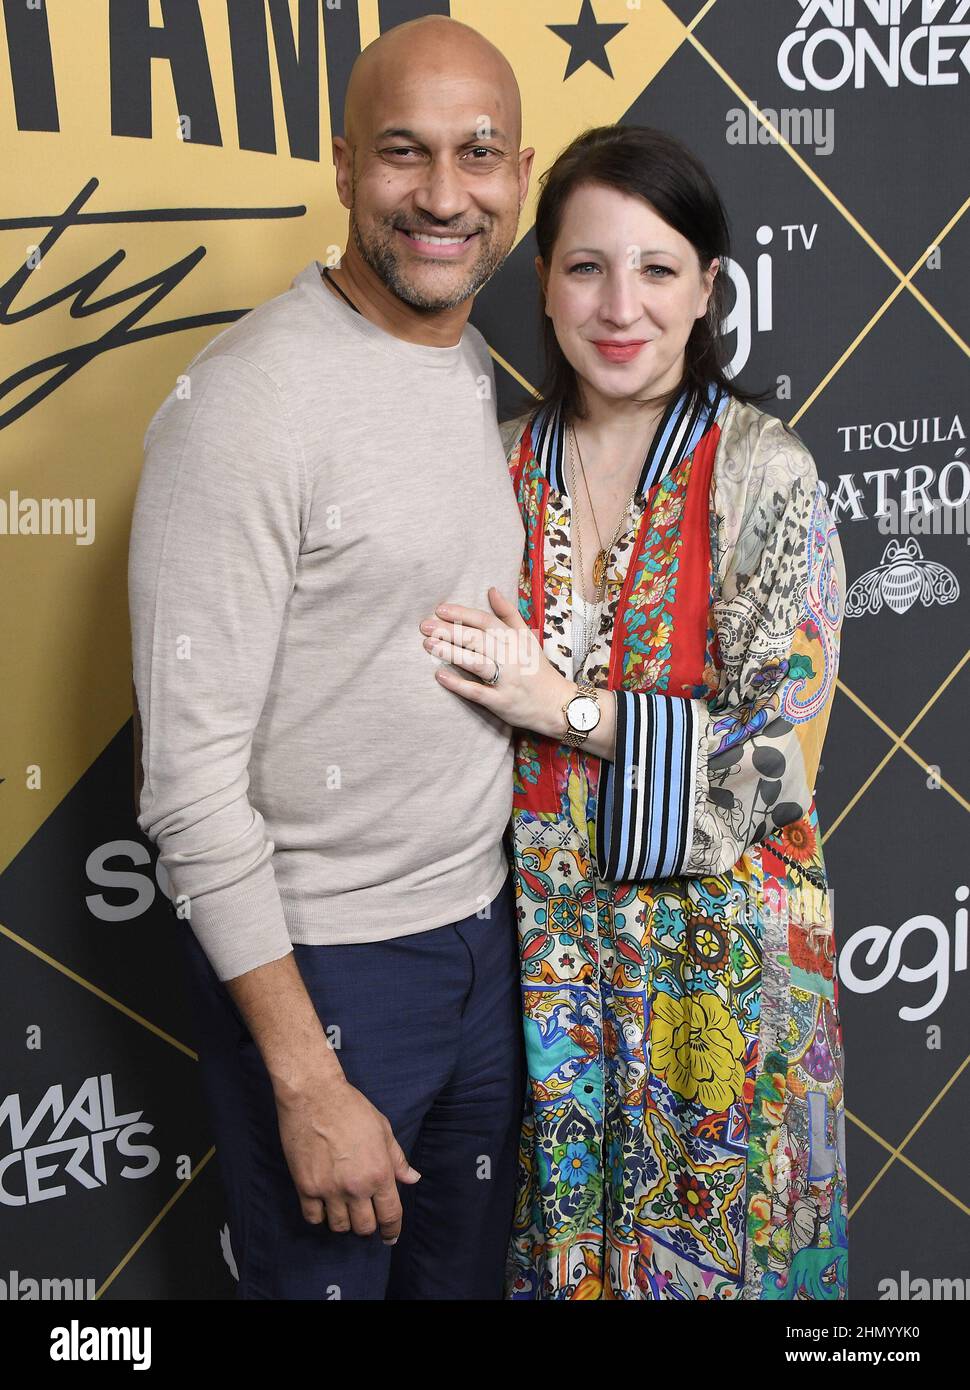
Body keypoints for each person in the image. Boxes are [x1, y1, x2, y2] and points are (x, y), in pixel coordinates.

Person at [128, 15, 535, 1300]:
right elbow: (187, 784)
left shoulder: (471, 366)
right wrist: (307, 1077)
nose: (441, 194)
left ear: (520, 173)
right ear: (345, 165)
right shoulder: (248, 401)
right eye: (403, 154)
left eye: (477, 155)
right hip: (327, 973)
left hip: (489, 947)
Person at [417, 123, 849, 1300]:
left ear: (707, 289)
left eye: (658, 269)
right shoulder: (489, 467)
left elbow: (773, 771)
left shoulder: (768, 473)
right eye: (586, 266)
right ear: (544, 282)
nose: (622, 305)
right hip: (537, 975)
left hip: (720, 983)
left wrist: (560, 706)